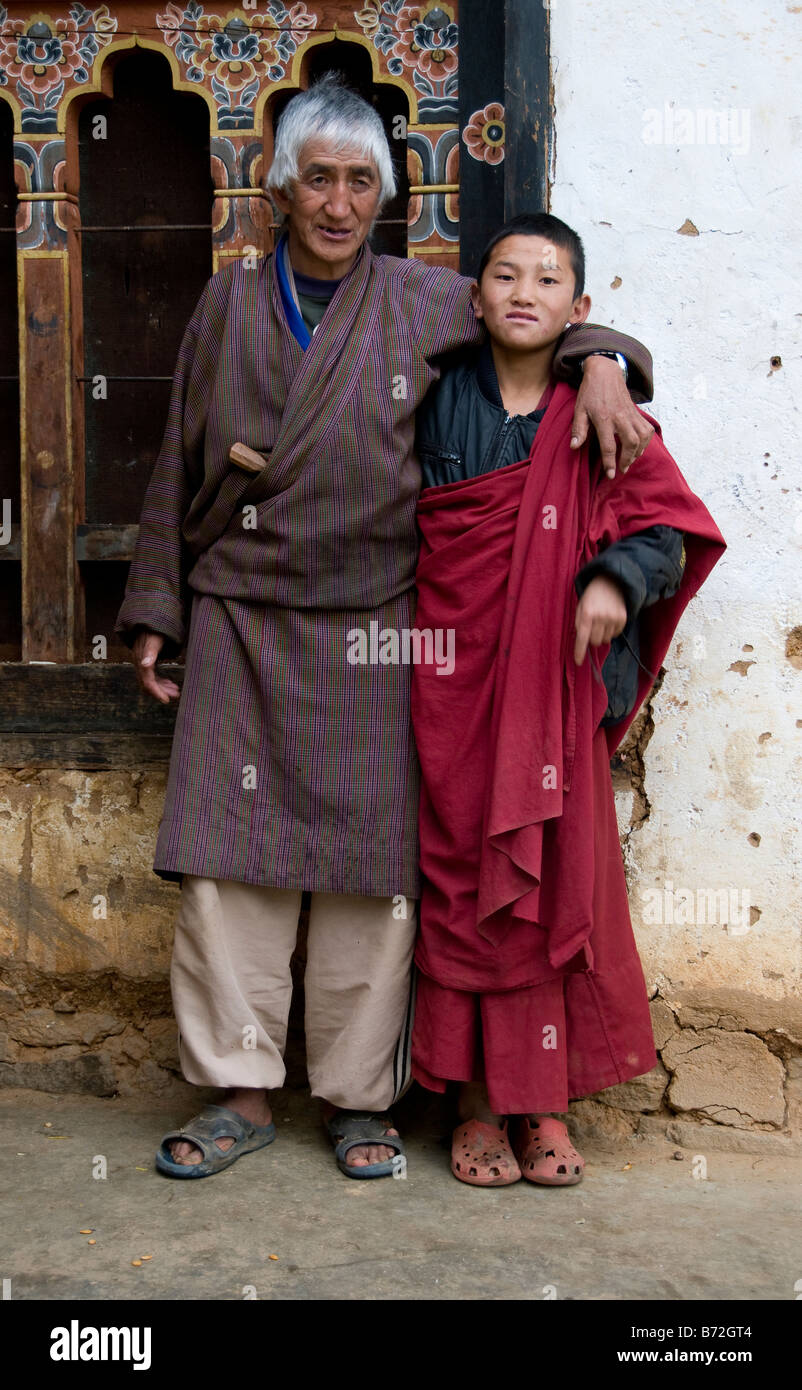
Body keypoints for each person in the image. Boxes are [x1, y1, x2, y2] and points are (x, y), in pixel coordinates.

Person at [114, 76, 658, 1181]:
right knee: (227, 868)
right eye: (318, 178)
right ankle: (240, 1089)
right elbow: (178, 452)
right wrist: (157, 607)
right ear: (279, 190)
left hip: (375, 627)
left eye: (361, 182)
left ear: (384, 199)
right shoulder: (226, 303)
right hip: (241, 617)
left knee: (374, 871)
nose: (338, 203)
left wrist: (606, 359)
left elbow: (532, 306)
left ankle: (363, 1100)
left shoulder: (421, 300)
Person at [410, 213, 726, 1186]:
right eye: (504, 274)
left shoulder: (599, 407)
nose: (522, 292)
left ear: (578, 308)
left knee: (551, 890)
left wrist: (612, 580)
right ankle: (470, 1103)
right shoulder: (433, 402)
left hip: (553, 698)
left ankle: (540, 1108)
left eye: (547, 281)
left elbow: (664, 527)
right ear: (477, 294)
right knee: (462, 891)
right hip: (452, 688)